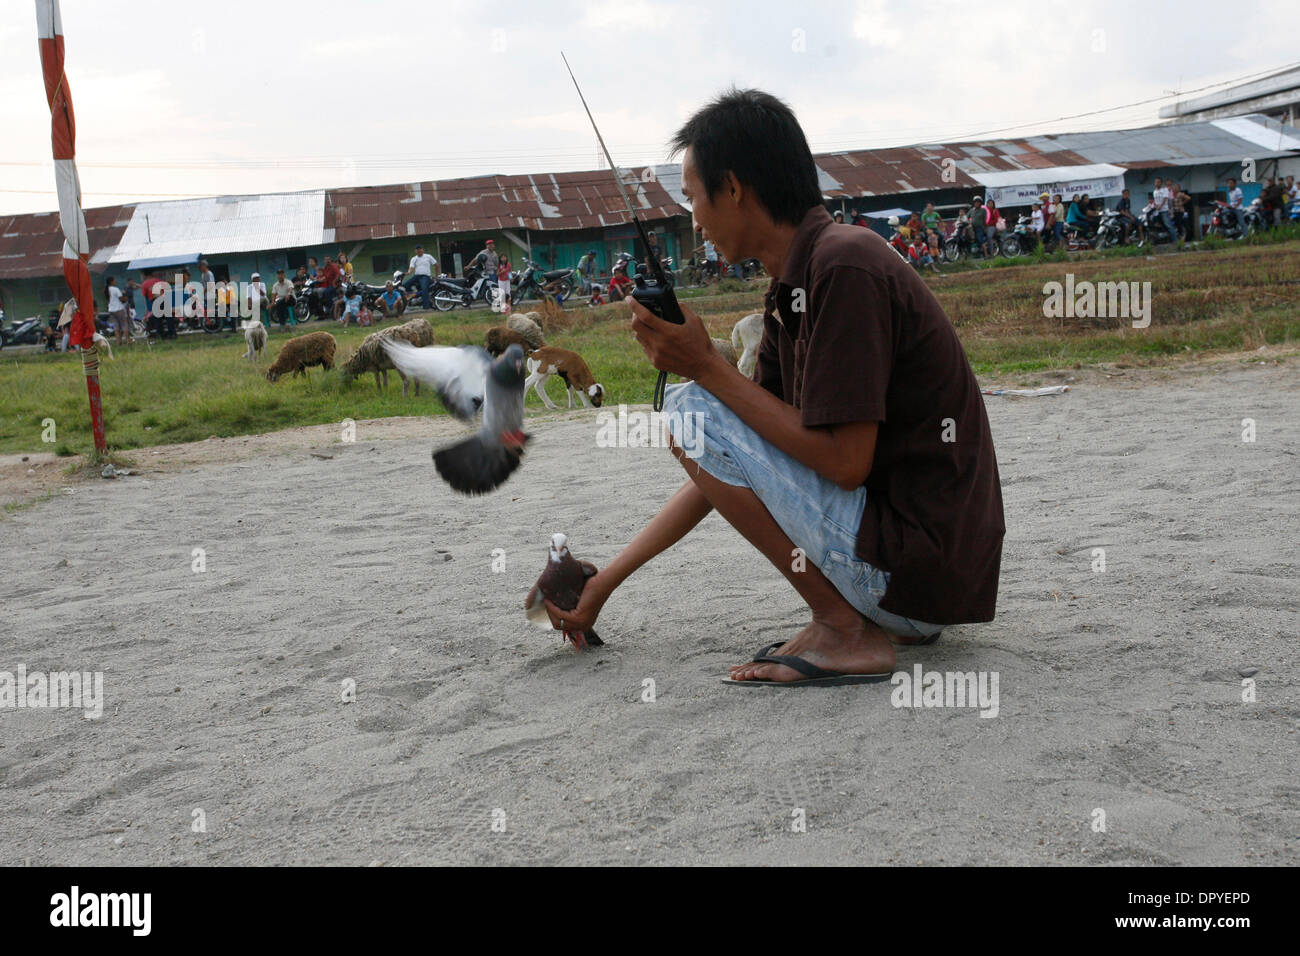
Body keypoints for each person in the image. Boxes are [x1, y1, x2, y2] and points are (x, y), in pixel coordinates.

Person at [544, 88, 1004, 685]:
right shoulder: (796, 284)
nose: (694, 221)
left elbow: (845, 463)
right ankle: (846, 619)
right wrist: (604, 584)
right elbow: (739, 457)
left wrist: (705, 368)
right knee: (700, 409)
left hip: (910, 578)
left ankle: (843, 630)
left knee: (690, 407)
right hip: (912, 585)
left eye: (693, 198)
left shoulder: (844, 265)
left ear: (733, 188)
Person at [104, 275, 130, 346]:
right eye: (114, 280)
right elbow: (122, 299)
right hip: (118, 309)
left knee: (116, 326)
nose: (115, 281)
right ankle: (128, 341)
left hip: (111, 310)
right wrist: (124, 294)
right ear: (111, 282)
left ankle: (119, 342)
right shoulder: (115, 289)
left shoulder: (106, 290)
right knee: (124, 324)